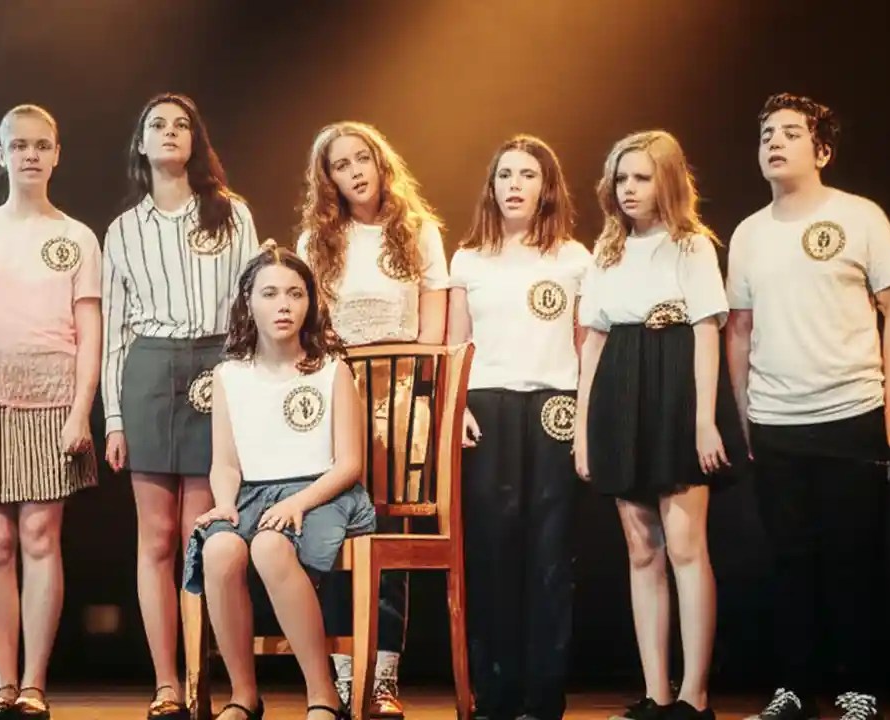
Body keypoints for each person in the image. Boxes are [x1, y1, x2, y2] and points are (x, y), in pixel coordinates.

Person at [731, 93, 890, 720]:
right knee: (788, 559)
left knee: (854, 557)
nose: (774, 144)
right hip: (776, 419)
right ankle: (791, 688)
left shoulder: (860, 216)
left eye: (789, 133)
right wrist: (745, 410)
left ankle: (858, 686)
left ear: (823, 150)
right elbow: (739, 328)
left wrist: (887, 404)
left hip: (851, 411)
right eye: (765, 135)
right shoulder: (748, 233)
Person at [0, 104, 102, 720]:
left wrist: (80, 411)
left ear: (57, 154)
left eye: (41, 145)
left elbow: (91, 330)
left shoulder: (77, 236)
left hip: (53, 397)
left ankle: (33, 685)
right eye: (19, 145)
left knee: (39, 534)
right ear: (0, 154)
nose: (30, 154)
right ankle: (3, 683)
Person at [574, 130, 747, 720]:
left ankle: (694, 696)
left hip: (676, 386)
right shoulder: (606, 252)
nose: (628, 189)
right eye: (621, 178)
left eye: (641, 177)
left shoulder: (691, 246)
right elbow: (593, 341)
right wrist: (581, 428)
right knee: (641, 549)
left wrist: (703, 420)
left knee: (685, 546)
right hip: (620, 389)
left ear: (666, 180)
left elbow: (706, 331)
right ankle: (656, 692)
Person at [101, 91, 260, 720]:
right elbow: (115, 330)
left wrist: (244, 387)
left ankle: (204, 677)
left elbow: (254, 304)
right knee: (157, 536)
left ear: (196, 140)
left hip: (217, 367)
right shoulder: (121, 230)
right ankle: (168, 682)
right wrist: (113, 417)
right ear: (141, 144)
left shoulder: (231, 213)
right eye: (157, 125)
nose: (169, 133)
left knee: (206, 531)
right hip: (149, 370)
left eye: (181, 124)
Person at [183, 242, 376, 720]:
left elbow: (350, 463)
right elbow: (225, 464)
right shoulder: (230, 376)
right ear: (249, 300)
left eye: (295, 293)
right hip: (253, 495)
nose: (284, 304)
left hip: (324, 492)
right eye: (270, 293)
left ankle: (322, 693)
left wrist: (300, 503)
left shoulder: (331, 370)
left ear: (311, 302)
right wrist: (226, 503)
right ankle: (243, 695)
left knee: (270, 546)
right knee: (219, 549)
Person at [295, 120, 449, 717]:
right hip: (340, 397)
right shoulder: (317, 241)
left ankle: (382, 677)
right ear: (327, 178)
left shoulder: (419, 232)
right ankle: (340, 674)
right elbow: (310, 330)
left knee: (388, 537)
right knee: (335, 535)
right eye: (342, 164)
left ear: (382, 163)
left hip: (404, 396)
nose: (356, 171)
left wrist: (416, 402)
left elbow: (433, 330)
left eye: (364, 158)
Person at [446, 134, 589, 720]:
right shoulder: (469, 259)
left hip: (555, 406)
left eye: (527, 174)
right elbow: (455, 343)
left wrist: (584, 414)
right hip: (486, 410)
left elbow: (585, 344)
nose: (514, 185)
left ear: (546, 187)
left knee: (550, 555)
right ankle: (495, 693)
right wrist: (459, 410)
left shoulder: (576, 258)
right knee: (491, 552)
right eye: (505, 174)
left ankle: (543, 693)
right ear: (492, 185)